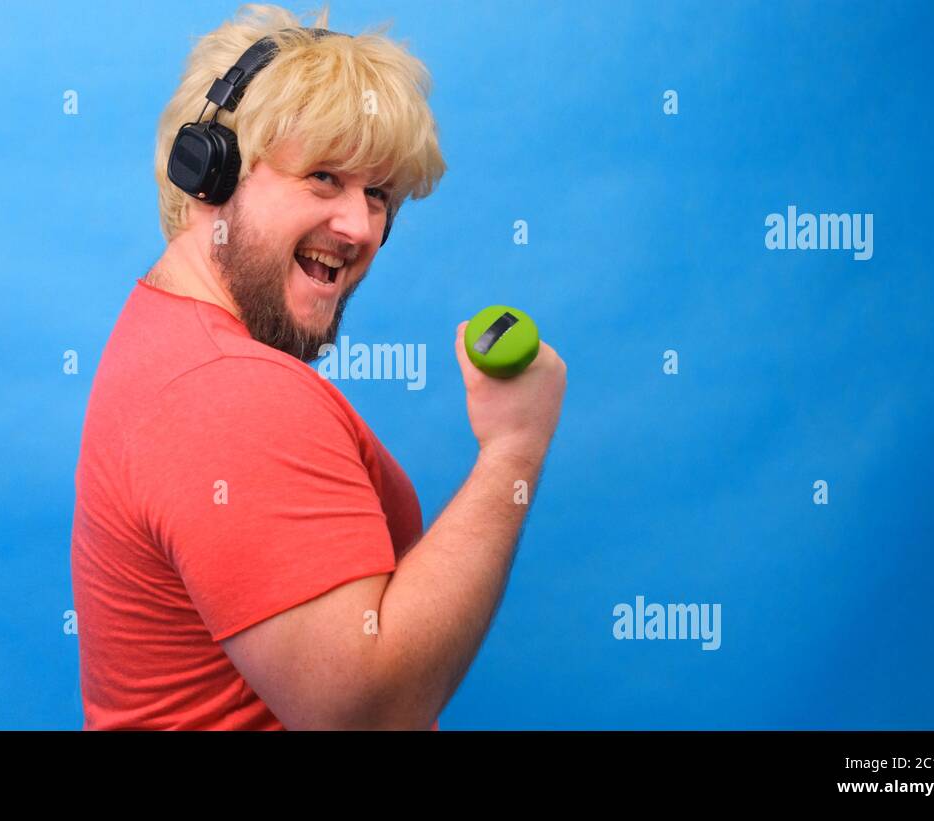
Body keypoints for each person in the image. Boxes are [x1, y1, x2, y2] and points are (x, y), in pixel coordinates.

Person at [71, 3, 567, 729]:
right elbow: (368, 712)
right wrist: (512, 452)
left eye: (378, 195)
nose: (361, 227)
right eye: (324, 177)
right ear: (208, 174)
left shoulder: (166, 336)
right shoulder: (228, 396)